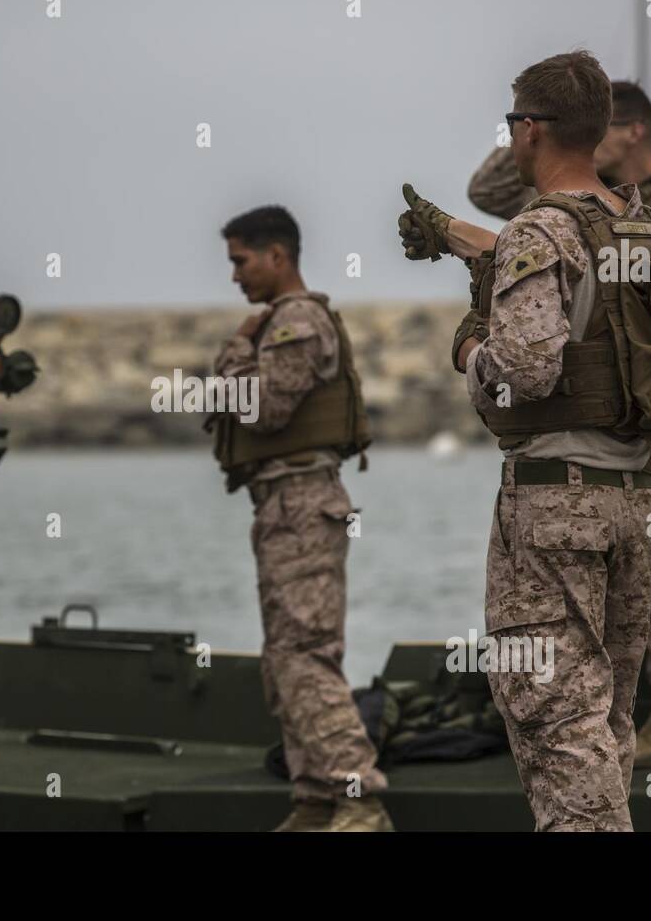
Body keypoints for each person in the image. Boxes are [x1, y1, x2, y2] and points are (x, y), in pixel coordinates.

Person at [398, 51, 651, 830]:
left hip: (555, 510)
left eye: (512, 124)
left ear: (529, 130)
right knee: (604, 722)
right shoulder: (646, 226)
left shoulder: (541, 230)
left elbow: (523, 372)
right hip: (637, 503)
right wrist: (474, 247)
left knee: (557, 723)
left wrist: (470, 349)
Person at [465, 81, 651, 768]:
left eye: (612, 129)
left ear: (638, 132)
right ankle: (605, 724)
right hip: (590, 421)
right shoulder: (579, 211)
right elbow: (485, 189)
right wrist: (541, 125)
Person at [209, 205, 390, 832]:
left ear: (277, 256)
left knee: (304, 656)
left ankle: (358, 797)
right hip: (283, 505)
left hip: (301, 504)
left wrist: (234, 351)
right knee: (285, 656)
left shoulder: (297, 322)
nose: (235, 275)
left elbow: (263, 408)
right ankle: (315, 798)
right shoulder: (282, 322)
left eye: (241, 260)